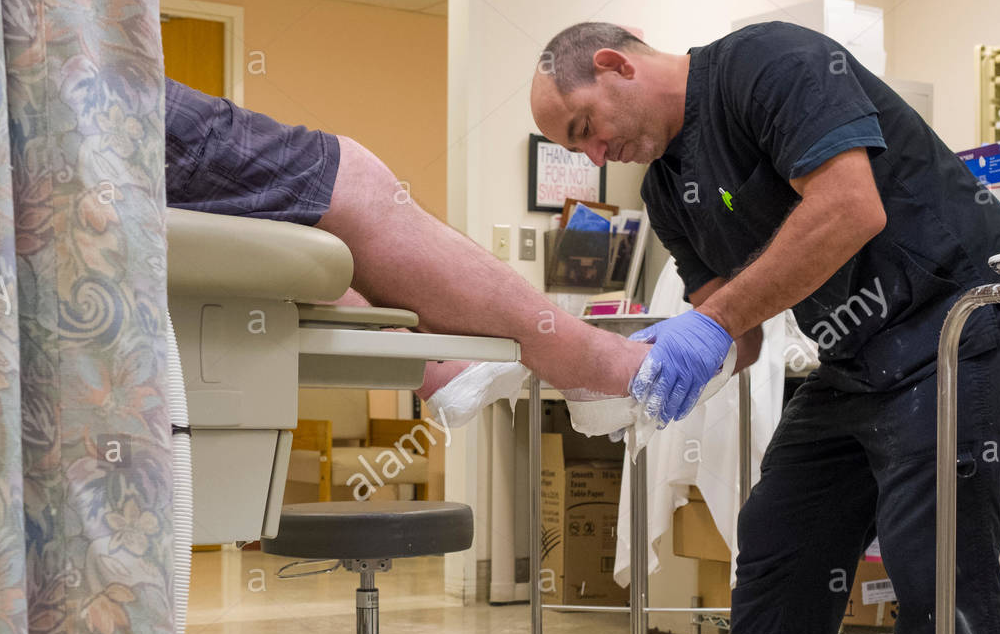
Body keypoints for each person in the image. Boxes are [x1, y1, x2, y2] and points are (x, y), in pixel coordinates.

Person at [531, 21, 1000, 634]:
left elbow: (851, 207)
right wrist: (631, 363)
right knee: (779, 541)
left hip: (959, 320)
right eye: (574, 146)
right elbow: (731, 330)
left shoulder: (765, 64)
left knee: (940, 567)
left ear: (613, 64)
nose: (594, 153)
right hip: (854, 357)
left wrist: (712, 322)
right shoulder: (667, 188)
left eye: (584, 126)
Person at [162, 78, 656, 417]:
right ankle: (591, 361)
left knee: (267, 224)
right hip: (102, 110)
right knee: (354, 179)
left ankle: (440, 368)